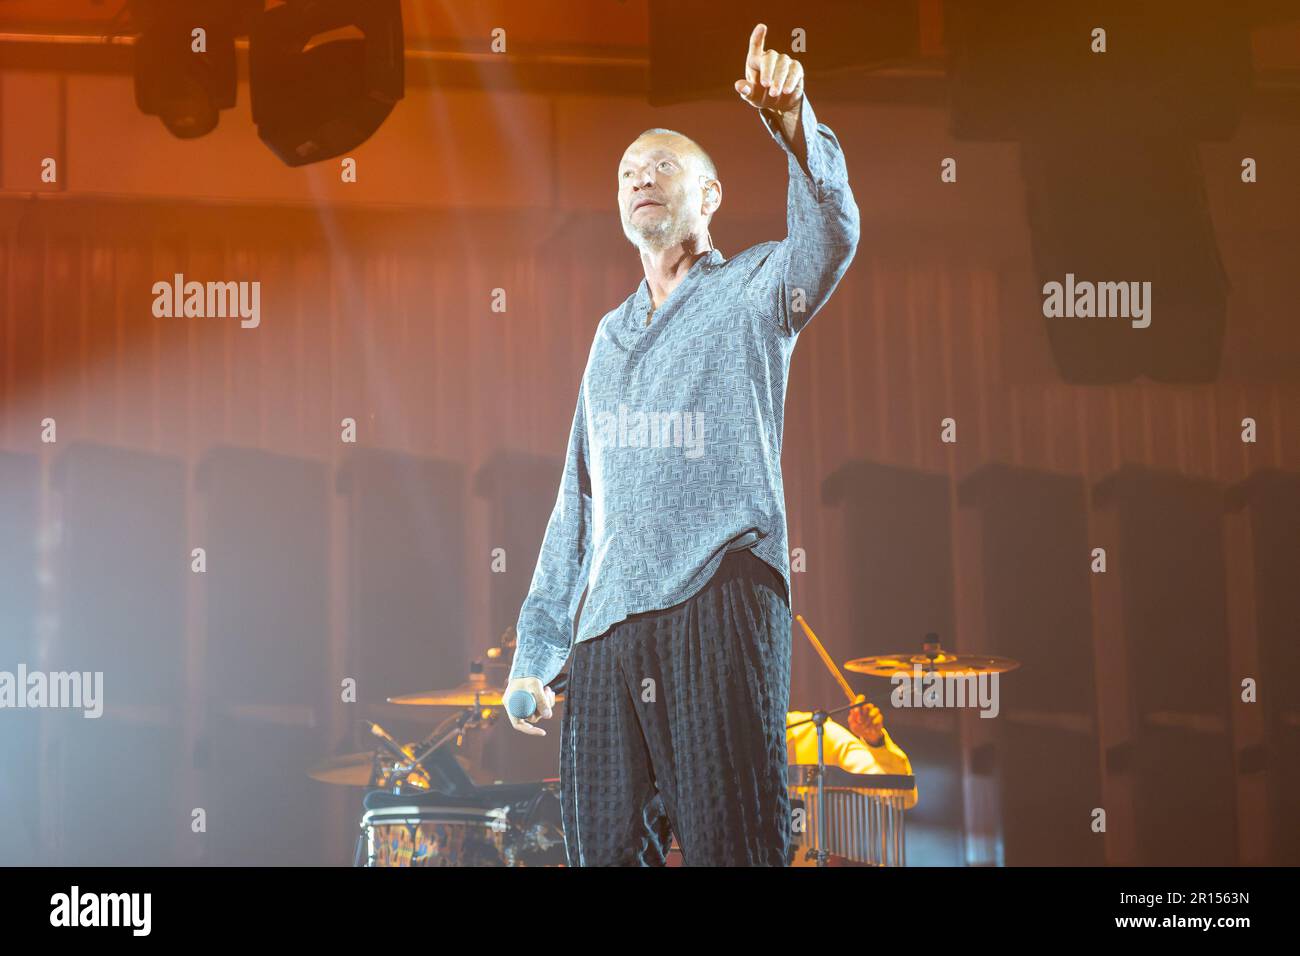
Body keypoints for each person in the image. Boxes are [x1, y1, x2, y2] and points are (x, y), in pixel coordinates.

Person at [503, 23, 860, 866]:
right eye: (628, 173)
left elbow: (832, 236)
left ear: (709, 196)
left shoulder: (752, 290)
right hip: (607, 628)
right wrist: (537, 651)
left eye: (662, 166)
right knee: (599, 849)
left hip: (718, 593)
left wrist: (794, 122)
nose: (640, 179)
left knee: (734, 841)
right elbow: (577, 502)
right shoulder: (608, 336)